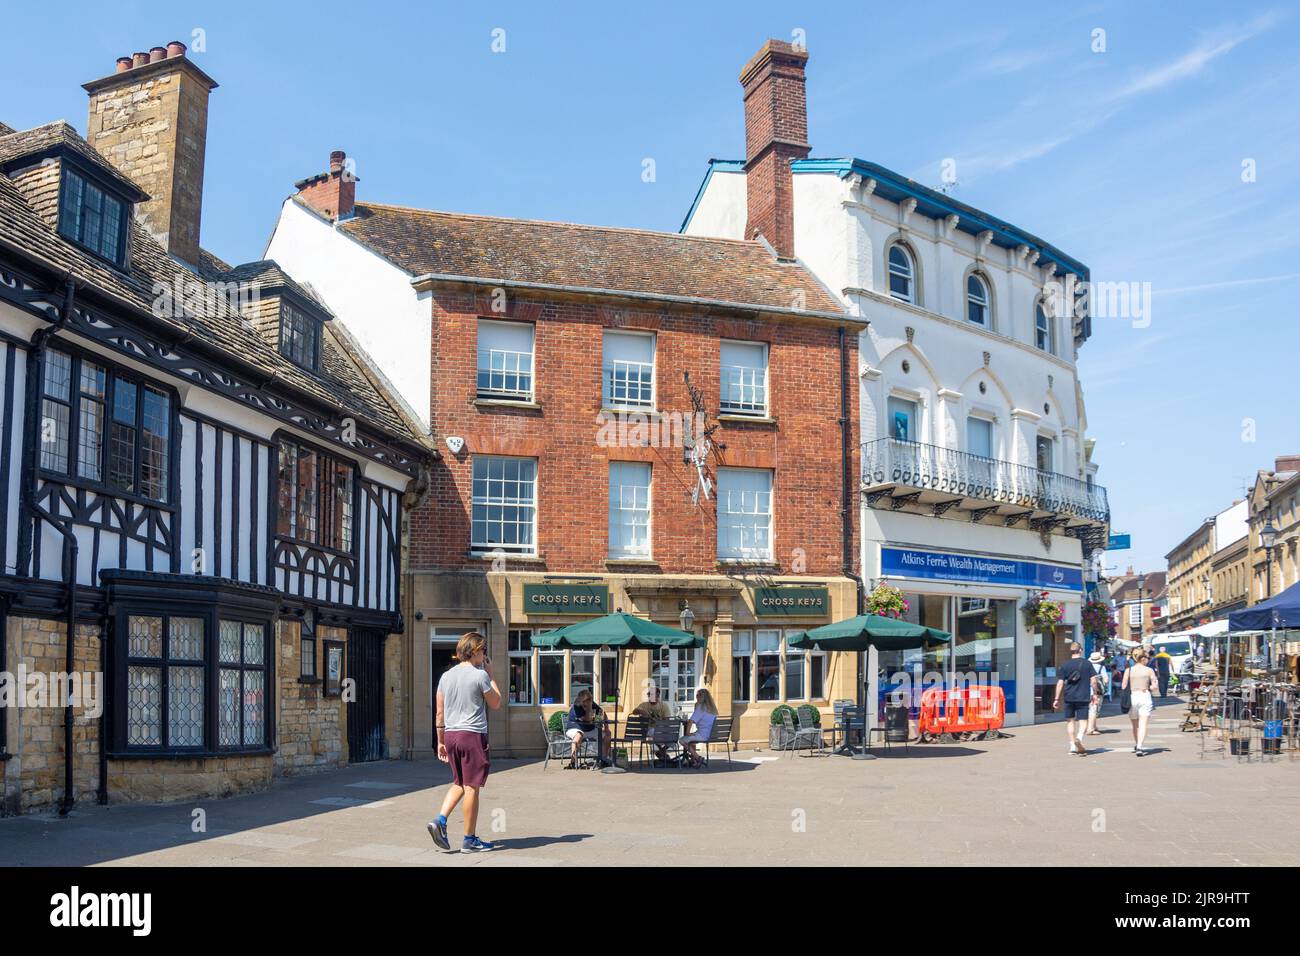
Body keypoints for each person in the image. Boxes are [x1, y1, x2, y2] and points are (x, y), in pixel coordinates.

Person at [429, 631, 502, 853]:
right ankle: (469, 840)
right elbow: (496, 703)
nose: (484, 656)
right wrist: (491, 675)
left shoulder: (445, 677)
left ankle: (440, 821)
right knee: (472, 787)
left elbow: (439, 714)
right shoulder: (479, 675)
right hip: (472, 736)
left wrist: (440, 741)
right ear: (476, 650)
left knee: (459, 782)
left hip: (451, 735)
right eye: (484, 651)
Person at [1053, 643, 1100, 755]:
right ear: (1081, 650)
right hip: (1083, 696)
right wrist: (1095, 694)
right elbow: (1093, 681)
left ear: (1071, 651)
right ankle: (1079, 738)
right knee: (1083, 720)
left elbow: (1060, 683)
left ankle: (1072, 746)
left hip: (1069, 696)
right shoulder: (1087, 664)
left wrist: (1056, 699)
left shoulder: (1065, 665)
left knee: (1070, 721)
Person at [1121, 649, 1158, 755]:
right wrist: (1149, 686)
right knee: (1143, 724)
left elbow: (1124, 686)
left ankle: (1137, 744)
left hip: (1132, 696)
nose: (1147, 660)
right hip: (1144, 696)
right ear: (1142, 659)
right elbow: (1154, 687)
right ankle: (1140, 746)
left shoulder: (1129, 670)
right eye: (1146, 658)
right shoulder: (1149, 670)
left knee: (1135, 725)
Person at [564, 689, 608, 768]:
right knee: (579, 735)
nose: (584, 705)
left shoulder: (591, 703)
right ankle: (573, 762)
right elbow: (587, 719)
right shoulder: (577, 706)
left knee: (606, 735)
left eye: (588, 702)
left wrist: (607, 728)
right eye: (583, 704)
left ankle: (604, 760)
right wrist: (589, 708)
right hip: (575, 728)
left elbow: (602, 712)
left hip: (588, 729)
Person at [632, 684, 673, 763]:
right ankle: (662, 754)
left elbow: (667, 721)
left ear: (658, 696)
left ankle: (661, 752)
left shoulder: (663, 705)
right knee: (653, 735)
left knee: (673, 737)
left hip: (660, 729)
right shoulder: (644, 705)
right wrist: (640, 711)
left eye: (654, 696)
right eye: (650, 695)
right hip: (648, 729)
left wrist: (661, 725)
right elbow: (634, 712)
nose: (652, 698)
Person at [679, 688, 719, 767]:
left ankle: (698, 758)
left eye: (698, 695)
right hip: (710, 735)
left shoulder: (701, 707)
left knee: (682, 740)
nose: (697, 697)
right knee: (692, 740)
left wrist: (687, 733)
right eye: (696, 695)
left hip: (703, 735)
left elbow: (691, 721)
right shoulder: (711, 708)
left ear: (703, 697)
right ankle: (693, 761)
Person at [1084, 650, 1109, 735]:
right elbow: (1106, 679)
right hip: (1097, 691)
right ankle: (1090, 729)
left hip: (1086, 690)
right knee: (1094, 709)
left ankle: (1093, 726)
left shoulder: (1087, 666)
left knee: (1089, 709)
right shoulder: (1101, 667)